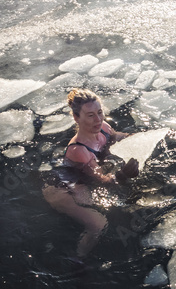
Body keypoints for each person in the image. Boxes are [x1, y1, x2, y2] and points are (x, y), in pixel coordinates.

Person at [42, 88, 138, 259]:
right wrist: (123, 175)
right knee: (99, 224)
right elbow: (102, 180)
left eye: (100, 112)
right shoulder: (79, 150)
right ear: (76, 118)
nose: (98, 119)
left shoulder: (104, 128)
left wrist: (142, 138)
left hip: (82, 182)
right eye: (90, 115)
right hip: (62, 189)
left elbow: (118, 137)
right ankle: (78, 260)